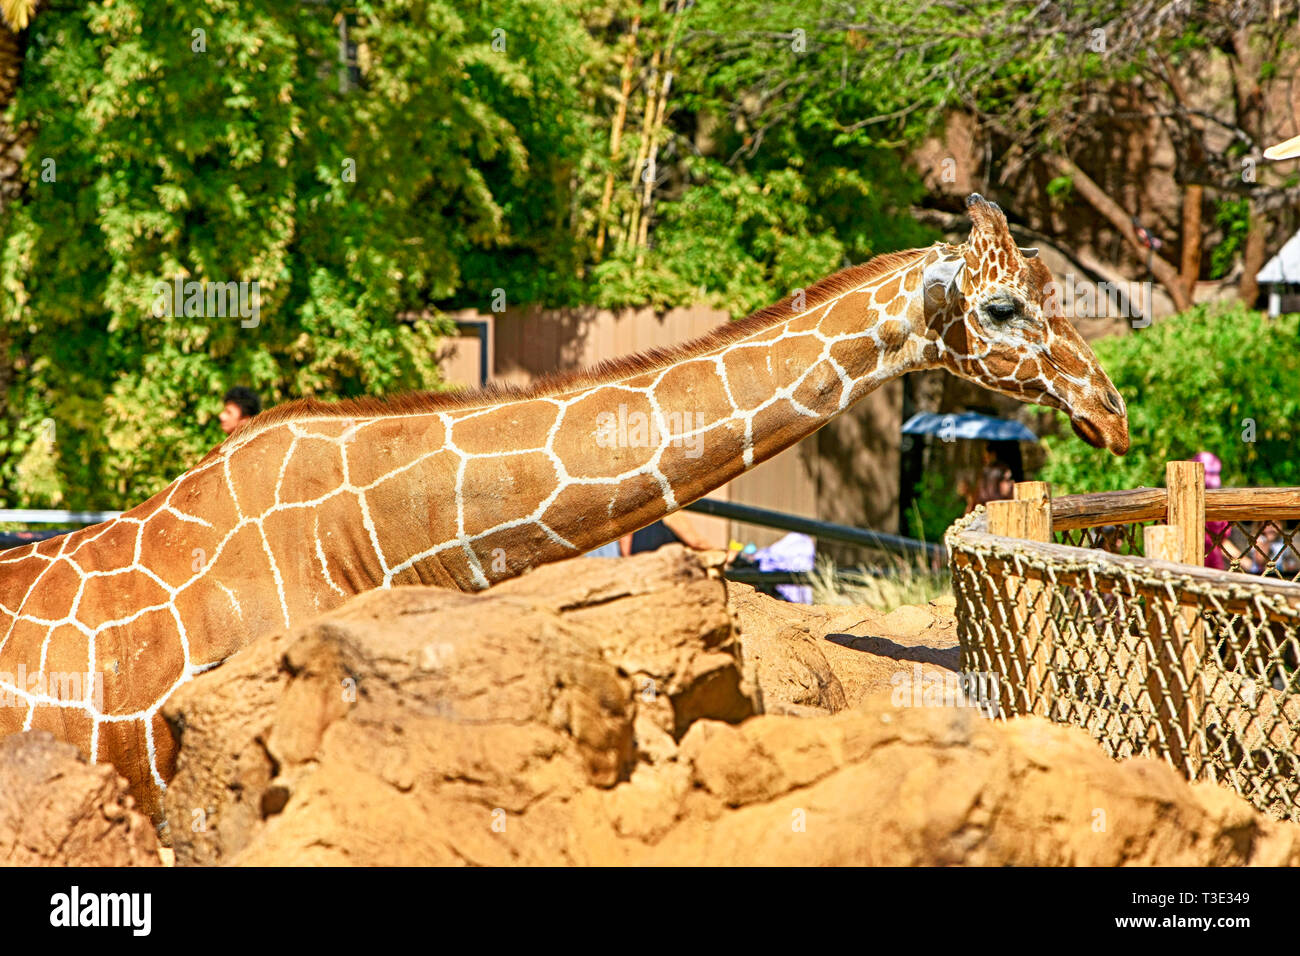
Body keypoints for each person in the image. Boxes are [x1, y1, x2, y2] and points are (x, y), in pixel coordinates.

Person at [1193, 451, 1230, 571]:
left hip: (1210, 563)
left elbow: (1221, 540)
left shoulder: (1219, 503)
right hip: (1202, 562)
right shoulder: (1219, 503)